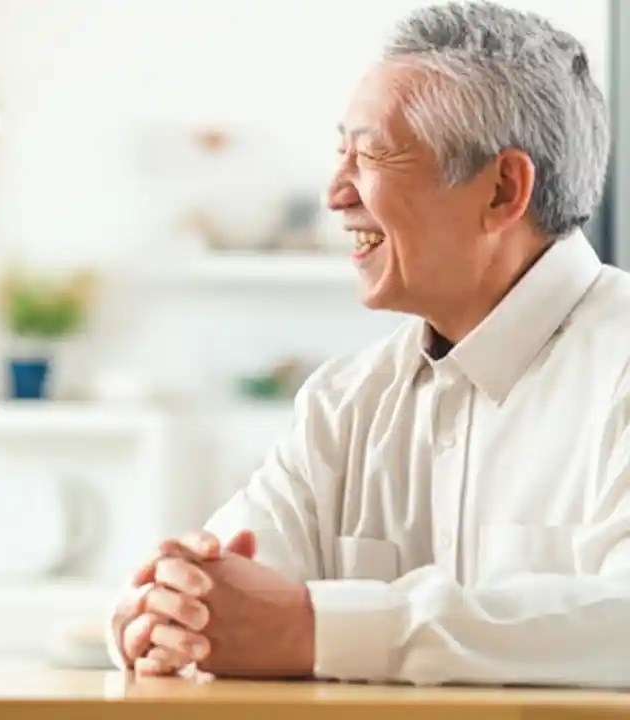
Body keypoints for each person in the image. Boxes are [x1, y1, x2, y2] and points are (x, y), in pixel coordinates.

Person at [111, 1, 630, 687]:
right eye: (340, 152)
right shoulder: (343, 401)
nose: (334, 193)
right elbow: (234, 584)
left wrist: (320, 629)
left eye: (373, 153)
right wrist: (168, 609)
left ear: (504, 188)